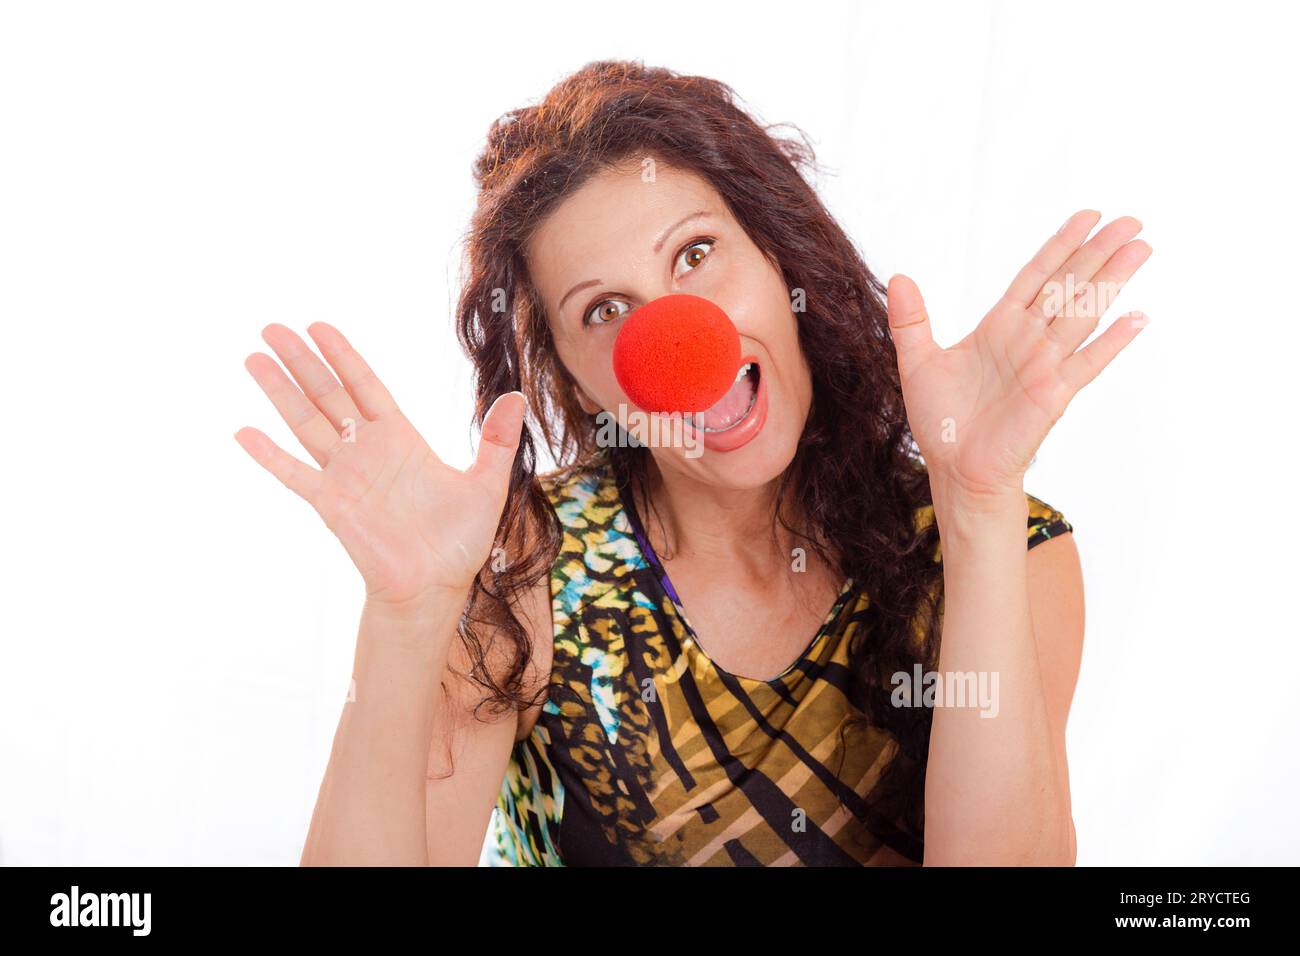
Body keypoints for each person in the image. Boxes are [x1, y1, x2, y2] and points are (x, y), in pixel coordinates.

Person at [234, 60, 1151, 866]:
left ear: (776, 255)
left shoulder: (1007, 548)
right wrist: (409, 616)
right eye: (603, 311)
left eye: (698, 254)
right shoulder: (522, 568)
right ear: (583, 386)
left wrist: (977, 502)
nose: (678, 337)